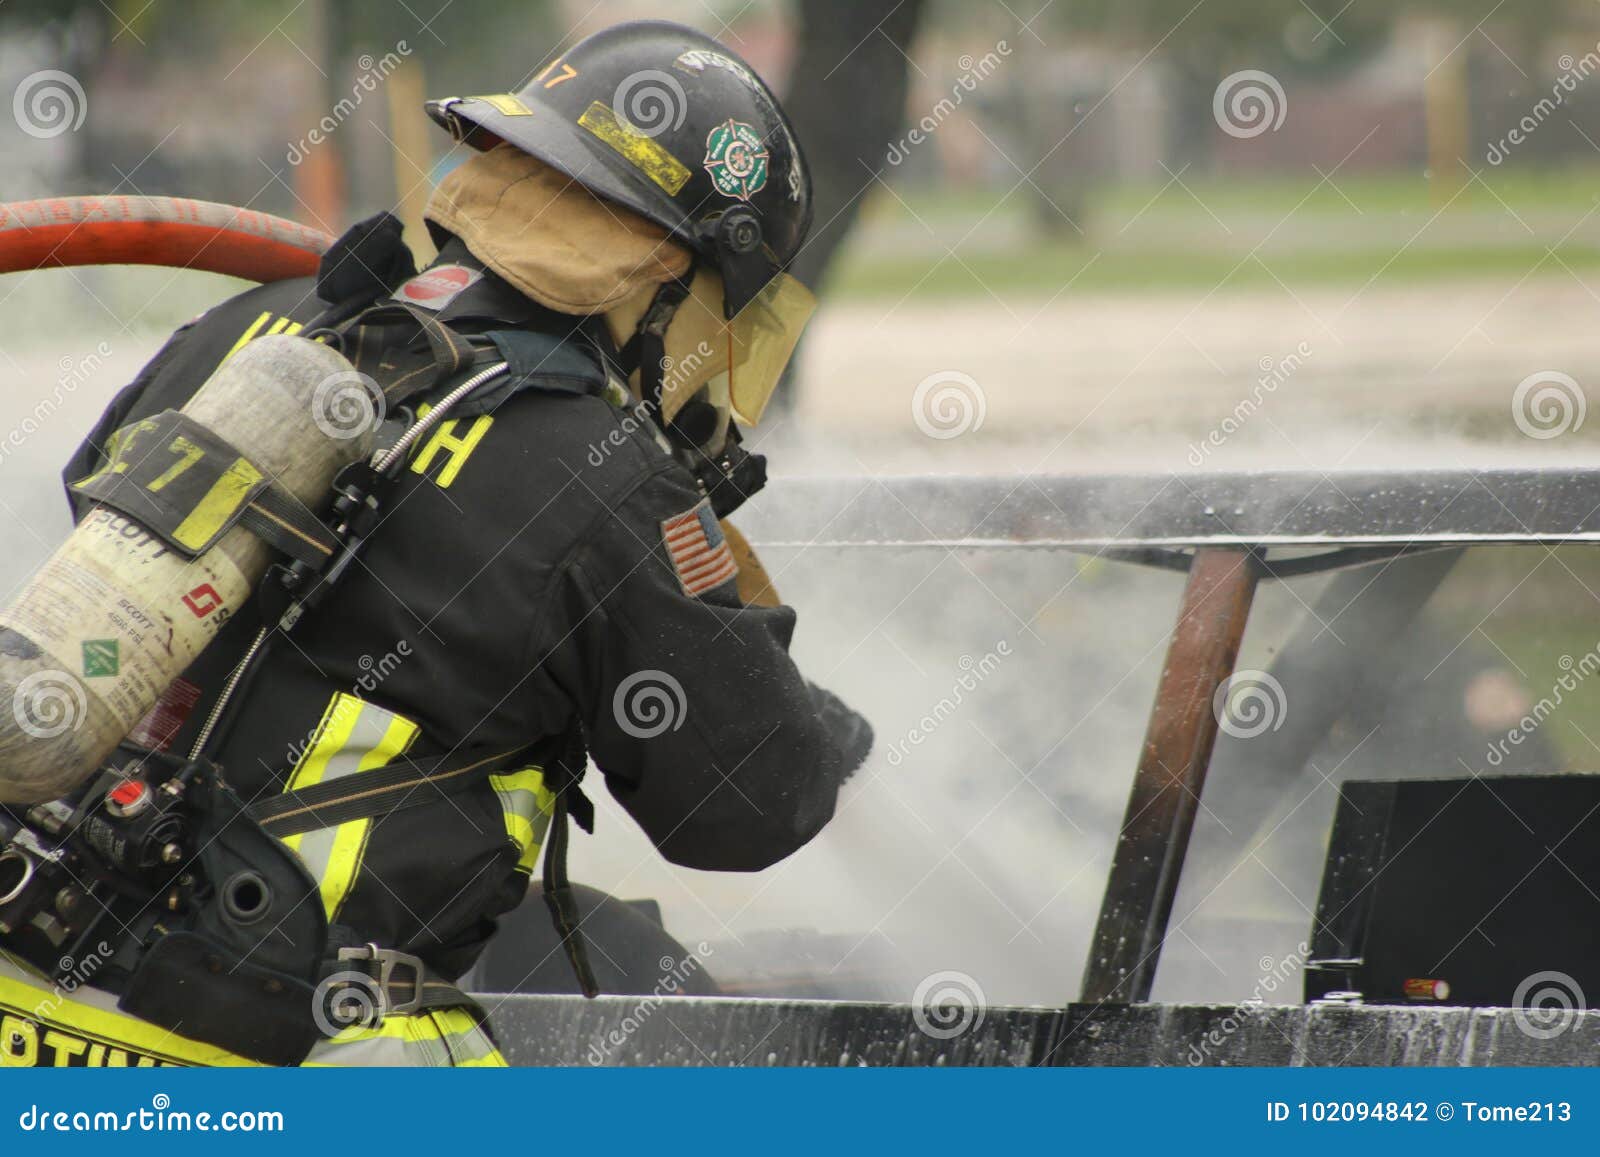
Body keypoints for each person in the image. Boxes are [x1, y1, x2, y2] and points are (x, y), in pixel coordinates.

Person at [0, 19, 870, 1068]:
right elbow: (748, 808)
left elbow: (101, 505)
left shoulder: (255, 328)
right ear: (663, 277)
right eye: (722, 315)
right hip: (286, 1049)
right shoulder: (603, 473)